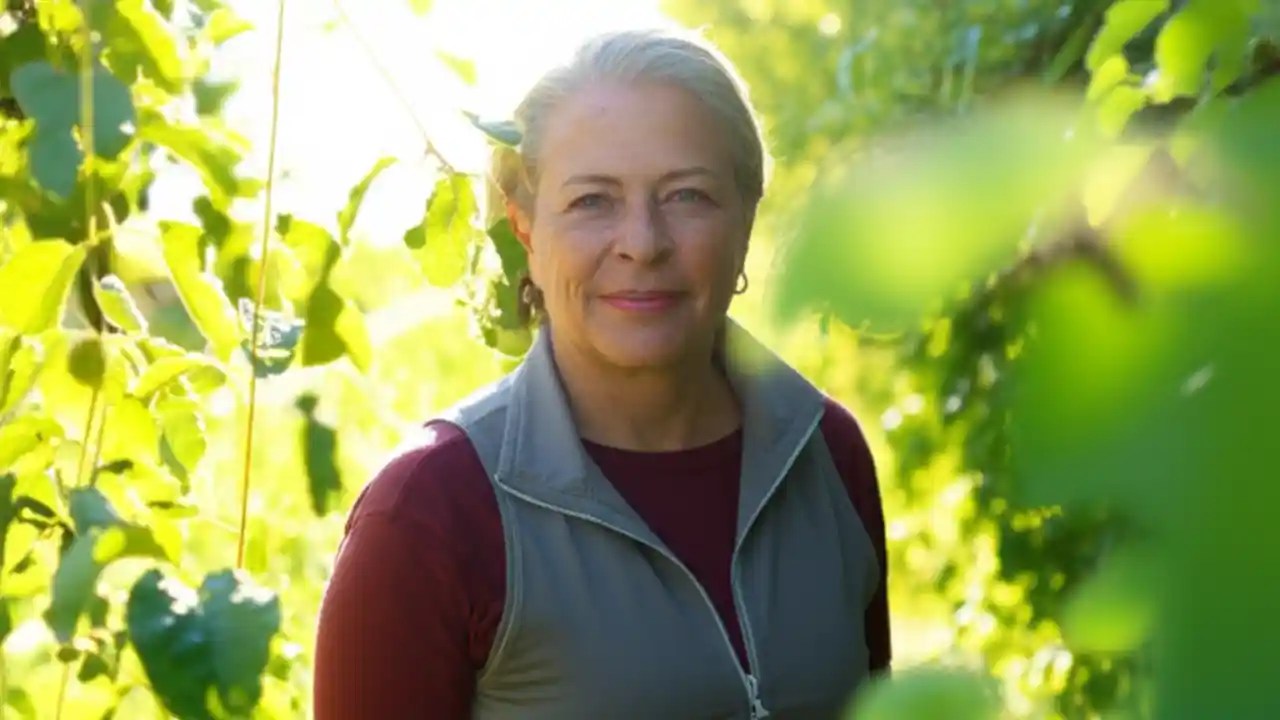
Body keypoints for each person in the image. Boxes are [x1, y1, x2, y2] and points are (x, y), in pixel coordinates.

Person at [313, 26, 890, 720]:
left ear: (745, 216)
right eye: (592, 201)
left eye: (686, 195)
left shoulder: (829, 455)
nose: (643, 244)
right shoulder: (427, 513)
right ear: (525, 229)